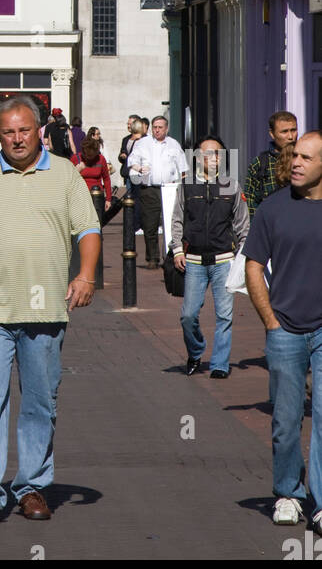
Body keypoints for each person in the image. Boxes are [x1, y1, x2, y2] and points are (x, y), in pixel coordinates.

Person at [0, 95, 101, 522]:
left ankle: (32, 487)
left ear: (39, 130)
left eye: (24, 130)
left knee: (39, 402)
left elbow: (88, 229)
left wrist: (85, 275)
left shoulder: (65, 174)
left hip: (45, 310)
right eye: (7, 131)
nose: (16, 138)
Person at [244, 131, 322, 532]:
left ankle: (321, 502)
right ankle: (289, 493)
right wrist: (271, 321)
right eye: (294, 156)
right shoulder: (272, 209)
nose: (296, 163)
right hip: (286, 329)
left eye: (307, 158)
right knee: (287, 418)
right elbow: (254, 266)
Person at [171, 136, 249, 378]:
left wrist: (241, 259)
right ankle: (195, 351)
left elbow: (242, 226)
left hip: (223, 260)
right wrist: (176, 250)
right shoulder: (186, 186)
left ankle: (219, 365)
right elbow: (177, 220)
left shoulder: (231, 185)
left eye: (217, 153)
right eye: (207, 153)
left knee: (224, 316)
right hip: (194, 260)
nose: (213, 158)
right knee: (188, 315)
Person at [127, 115, 188, 269]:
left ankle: (171, 255)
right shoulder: (142, 143)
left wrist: (183, 187)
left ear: (166, 128)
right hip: (149, 188)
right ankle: (152, 258)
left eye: (160, 127)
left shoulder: (174, 144)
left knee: (171, 223)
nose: (157, 130)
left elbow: (183, 168)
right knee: (150, 224)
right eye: (155, 127)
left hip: (170, 189)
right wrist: (139, 168)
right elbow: (132, 161)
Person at [244, 111, 298, 219]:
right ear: (272, 134)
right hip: (270, 227)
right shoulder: (260, 164)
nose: (291, 136)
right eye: (284, 132)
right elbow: (250, 204)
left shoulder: (306, 159)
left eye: (293, 130)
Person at [71, 134, 112, 207]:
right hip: (80, 197)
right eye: (87, 156)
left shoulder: (101, 159)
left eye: (92, 156)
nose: (89, 159)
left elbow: (106, 178)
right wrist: (78, 169)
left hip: (97, 197)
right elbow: (69, 179)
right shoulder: (75, 159)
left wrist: (108, 199)